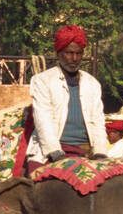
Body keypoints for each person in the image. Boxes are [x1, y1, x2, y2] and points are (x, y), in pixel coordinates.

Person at [25, 25, 108, 168]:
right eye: (69, 53)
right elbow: (43, 119)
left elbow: (98, 121)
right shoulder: (43, 80)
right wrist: (56, 152)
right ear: (58, 54)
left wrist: (100, 152)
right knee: (38, 183)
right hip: (51, 152)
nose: (74, 58)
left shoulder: (92, 83)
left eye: (78, 53)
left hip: (87, 151)